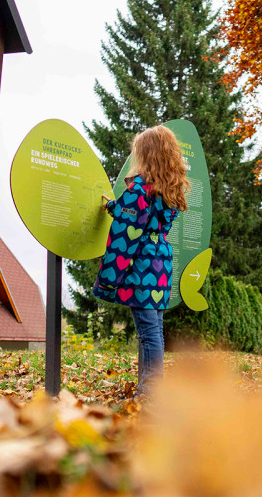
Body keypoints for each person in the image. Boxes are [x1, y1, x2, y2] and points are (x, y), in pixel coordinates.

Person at [92, 126, 189, 398]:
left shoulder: (139, 189)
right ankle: (150, 388)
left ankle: (151, 392)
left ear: (146, 155)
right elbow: (145, 219)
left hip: (141, 266)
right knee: (154, 329)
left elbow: (127, 234)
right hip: (160, 264)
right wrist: (116, 208)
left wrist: (109, 279)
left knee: (148, 333)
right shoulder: (169, 189)